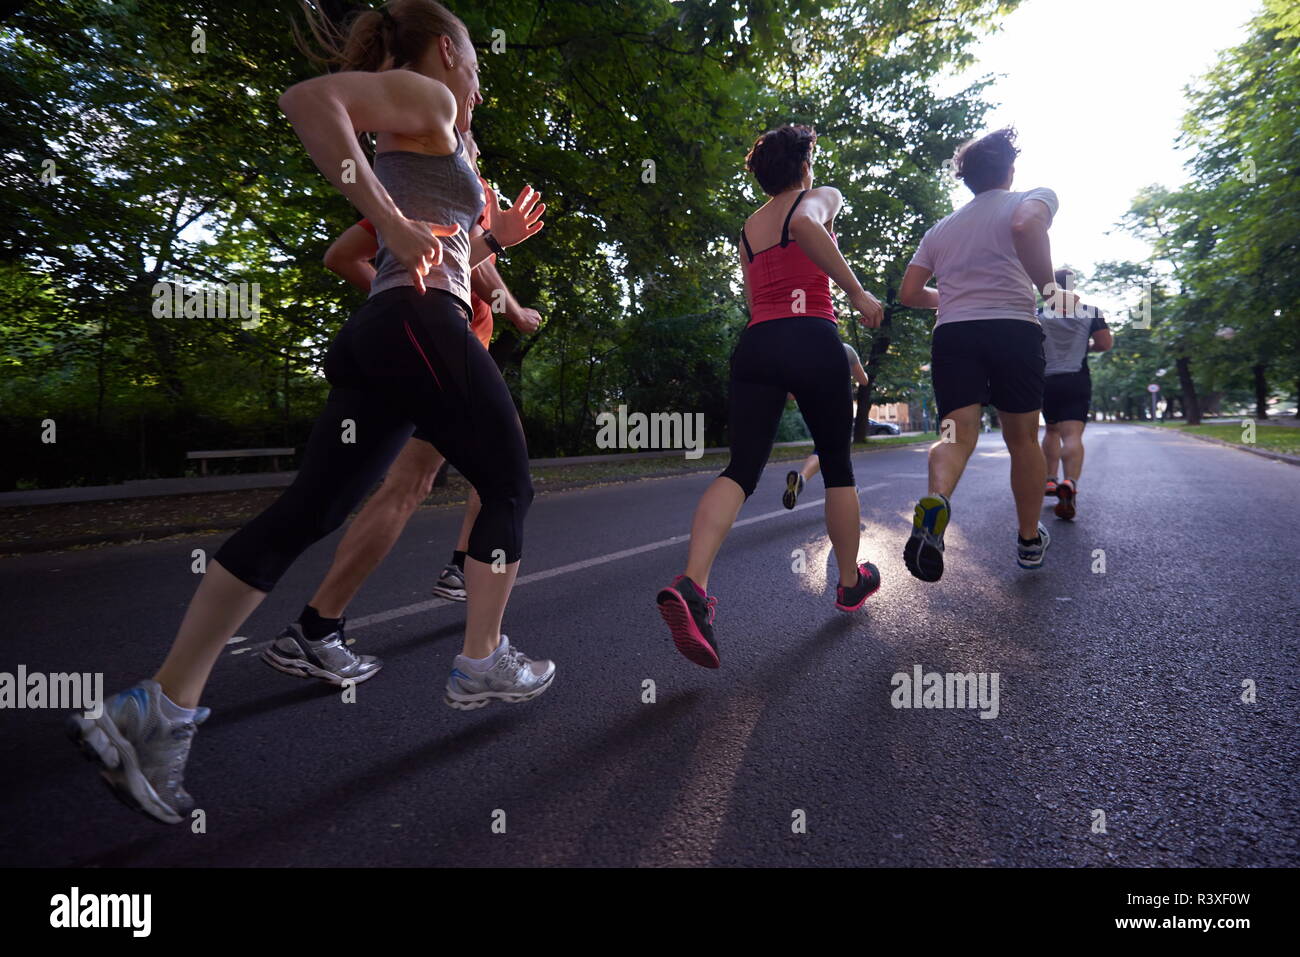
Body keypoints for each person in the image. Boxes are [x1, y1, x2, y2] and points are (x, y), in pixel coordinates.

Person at [68, 1, 552, 825]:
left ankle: (158, 708)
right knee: (508, 481)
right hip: (419, 323)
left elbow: (445, 240)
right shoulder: (426, 97)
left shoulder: (427, 125)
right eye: (474, 62)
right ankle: (481, 659)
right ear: (448, 50)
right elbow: (306, 99)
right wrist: (397, 225)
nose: (478, 81)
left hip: (385, 338)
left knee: (311, 508)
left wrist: (489, 236)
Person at [262, 129, 543, 687]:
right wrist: (410, 304)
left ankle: (320, 626)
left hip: (421, 345)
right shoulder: (447, 187)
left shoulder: (443, 192)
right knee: (500, 476)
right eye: (470, 103)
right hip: (439, 349)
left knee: (405, 486)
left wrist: (497, 300)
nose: (477, 113)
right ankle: (474, 635)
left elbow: (462, 266)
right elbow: (461, 266)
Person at [656, 124, 885, 669]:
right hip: (811, 337)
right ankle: (851, 581)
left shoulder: (749, 227)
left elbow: (759, 297)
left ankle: (693, 582)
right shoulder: (818, 197)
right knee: (837, 465)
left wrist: (787, 368)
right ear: (805, 164)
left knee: (741, 468)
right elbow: (806, 226)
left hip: (759, 345)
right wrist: (857, 293)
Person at [898, 127, 1079, 579]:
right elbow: (1025, 226)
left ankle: (937, 502)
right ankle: (1028, 539)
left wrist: (956, 297)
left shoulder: (941, 229)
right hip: (1012, 330)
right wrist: (1050, 288)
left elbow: (908, 292)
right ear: (1010, 170)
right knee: (1021, 439)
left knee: (955, 434)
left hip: (954, 335)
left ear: (967, 179)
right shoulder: (1032, 197)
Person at [1038, 268, 1112, 520]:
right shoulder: (1091, 312)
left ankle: (1049, 480)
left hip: (1047, 380)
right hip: (1076, 378)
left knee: (1050, 430)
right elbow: (1104, 344)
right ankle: (1069, 482)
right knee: (1072, 434)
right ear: (1073, 284)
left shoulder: (1039, 314)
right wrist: (1084, 346)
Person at [782, 340, 871, 509]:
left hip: (812, 407)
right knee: (837, 452)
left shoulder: (804, 352)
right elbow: (863, 380)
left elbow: (791, 395)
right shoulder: (846, 349)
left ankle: (802, 478)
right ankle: (846, 492)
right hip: (838, 406)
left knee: (823, 448)